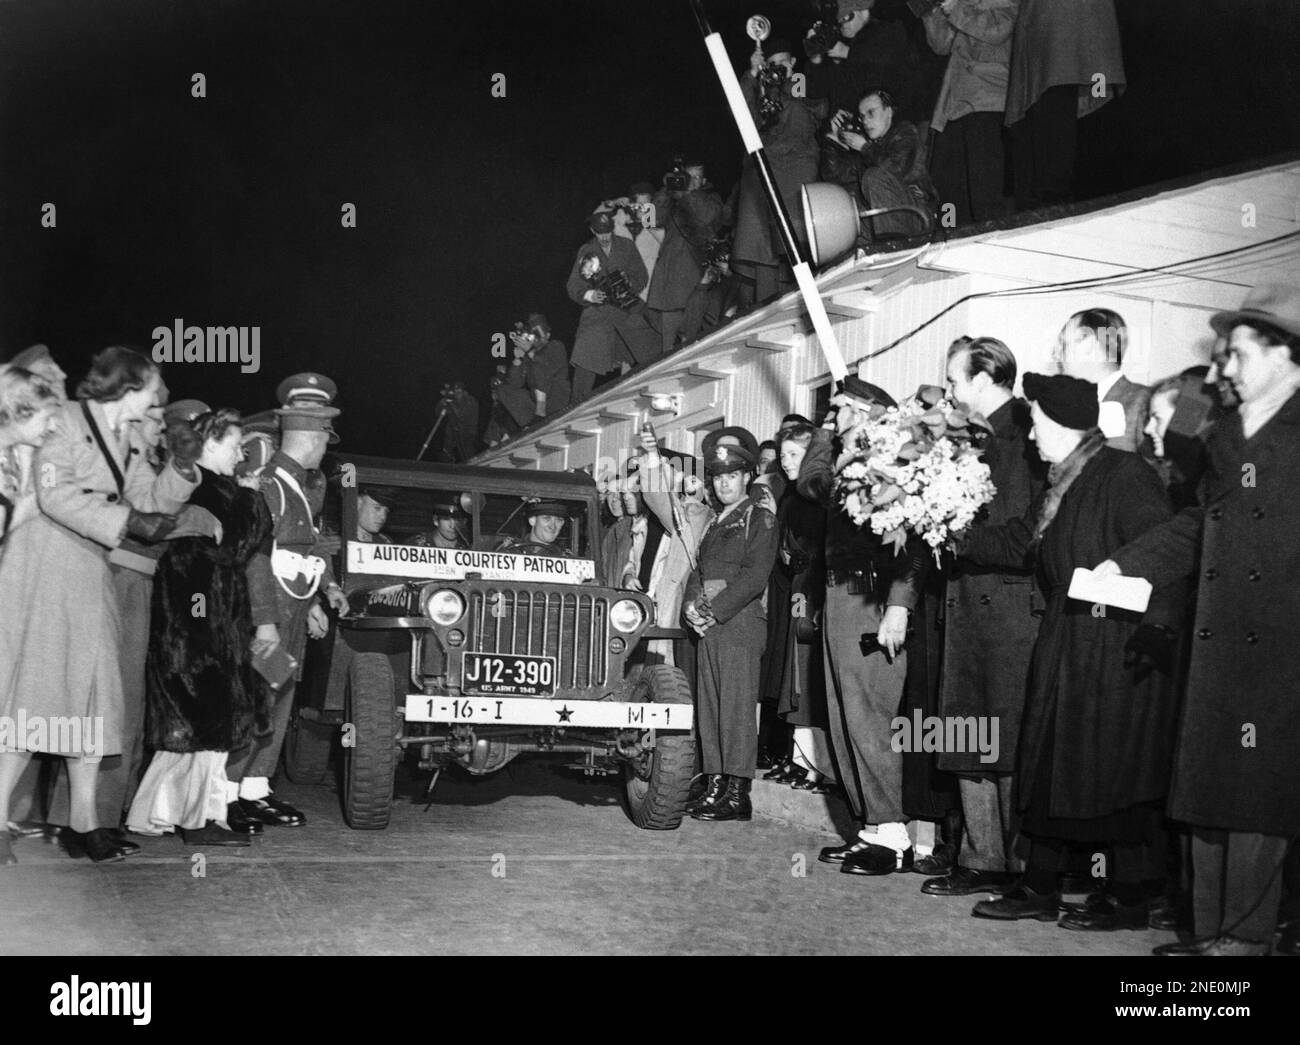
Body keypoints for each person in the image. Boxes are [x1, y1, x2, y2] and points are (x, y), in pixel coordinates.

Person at [1098, 284, 1300, 956]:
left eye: (1237, 355)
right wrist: (1127, 566)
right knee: (1210, 792)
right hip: (1218, 636)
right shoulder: (1228, 436)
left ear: (1285, 355)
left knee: (1256, 801)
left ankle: (1244, 939)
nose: (1225, 372)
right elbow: (1198, 523)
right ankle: (1211, 931)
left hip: (1278, 647)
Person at [960, 373, 1182, 930]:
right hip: (1066, 636)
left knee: (1111, 770)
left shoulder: (1124, 474)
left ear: (1059, 424)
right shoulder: (1062, 480)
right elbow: (1017, 544)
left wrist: (1156, 636)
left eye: (1035, 423)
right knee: (1050, 761)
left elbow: (1166, 560)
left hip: (1116, 647)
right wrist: (947, 532)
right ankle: (1040, 886)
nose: (1030, 435)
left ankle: (1129, 897)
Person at [0, 347, 199, 865]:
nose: (160, 396)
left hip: (89, 568)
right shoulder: (64, 420)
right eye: (155, 384)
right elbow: (53, 495)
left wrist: (180, 466)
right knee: (36, 692)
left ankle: (85, 820)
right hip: (43, 564)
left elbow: (149, 502)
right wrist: (125, 524)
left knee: (92, 695)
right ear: (131, 385)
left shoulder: (128, 438)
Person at [921, 337, 1045, 897]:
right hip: (968, 606)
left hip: (1010, 610)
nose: (948, 391)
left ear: (983, 380)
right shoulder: (968, 439)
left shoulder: (1023, 439)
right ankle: (980, 857)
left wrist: (959, 538)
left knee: (1008, 739)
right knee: (969, 734)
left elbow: (1027, 537)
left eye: (953, 381)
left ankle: (1019, 865)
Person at [126, 408, 276, 846]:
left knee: (196, 735)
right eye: (233, 446)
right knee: (204, 730)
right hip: (197, 629)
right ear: (210, 444)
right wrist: (251, 495)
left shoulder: (212, 488)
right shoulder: (211, 491)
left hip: (203, 626)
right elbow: (238, 548)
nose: (239, 455)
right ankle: (195, 821)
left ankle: (162, 814)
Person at [809, 378, 927, 876]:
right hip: (840, 594)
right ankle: (870, 827)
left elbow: (916, 541)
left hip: (873, 597)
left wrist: (900, 604)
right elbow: (811, 483)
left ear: (868, 410)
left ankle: (893, 831)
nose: (833, 421)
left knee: (871, 717)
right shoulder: (849, 463)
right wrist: (828, 431)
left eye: (841, 411)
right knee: (841, 715)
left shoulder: (895, 459)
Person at [230, 377, 350, 829]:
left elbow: (311, 547)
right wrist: (264, 620)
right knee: (256, 696)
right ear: (314, 435)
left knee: (280, 695)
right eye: (324, 437)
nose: (325, 448)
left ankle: (255, 789)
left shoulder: (301, 486)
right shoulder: (268, 484)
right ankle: (224, 794)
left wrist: (322, 593)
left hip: (293, 607)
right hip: (270, 608)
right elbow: (256, 558)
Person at [682, 428, 778, 822]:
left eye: (732, 475)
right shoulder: (715, 521)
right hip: (709, 626)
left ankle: (738, 793)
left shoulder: (760, 518)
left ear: (746, 477)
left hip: (738, 625)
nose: (724, 482)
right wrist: (690, 606)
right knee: (712, 707)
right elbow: (698, 570)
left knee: (736, 709)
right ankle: (717, 784)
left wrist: (713, 611)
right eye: (718, 476)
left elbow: (754, 577)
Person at [761, 422, 832, 792]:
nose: (786, 462)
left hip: (817, 590)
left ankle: (820, 766)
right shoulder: (791, 496)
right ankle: (801, 759)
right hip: (798, 589)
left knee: (811, 677)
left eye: (794, 455)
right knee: (795, 678)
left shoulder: (820, 495)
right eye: (783, 455)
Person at [1004, 0, 1125, 209]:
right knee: (1053, 126)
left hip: (1059, 51)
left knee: (1054, 128)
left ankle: (1052, 204)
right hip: (1069, 54)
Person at [732, 42, 826, 306]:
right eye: (772, 65)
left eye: (784, 62)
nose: (779, 69)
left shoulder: (800, 82)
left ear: (793, 62)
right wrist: (752, 75)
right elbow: (743, 115)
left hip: (799, 170)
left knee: (799, 242)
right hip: (767, 170)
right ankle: (766, 310)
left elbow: (817, 108)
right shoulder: (762, 92)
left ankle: (807, 307)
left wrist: (785, 83)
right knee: (765, 249)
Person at [921, 0, 1017, 226]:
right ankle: (949, 239)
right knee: (947, 187)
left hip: (990, 99)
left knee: (986, 189)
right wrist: (930, 9)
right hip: (954, 105)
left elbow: (998, 30)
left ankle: (995, 244)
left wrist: (956, 7)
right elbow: (941, 45)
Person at [567, 211, 660, 400]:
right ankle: (574, 406)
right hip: (599, 311)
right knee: (587, 355)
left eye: (608, 232)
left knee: (651, 345)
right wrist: (590, 295)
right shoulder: (587, 251)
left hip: (626, 305)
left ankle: (656, 387)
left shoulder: (626, 246)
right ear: (593, 230)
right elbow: (573, 285)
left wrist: (628, 283)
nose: (605, 237)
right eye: (600, 233)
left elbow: (641, 275)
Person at [822, 88, 936, 242]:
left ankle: (892, 246)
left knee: (873, 176)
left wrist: (864, 148)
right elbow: (836, 178)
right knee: (843, 212)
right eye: (862, 116)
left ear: (888, 112)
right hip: (887, 216)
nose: (866, 121)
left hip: (917, 213)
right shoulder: (869, 146)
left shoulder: (905, 132)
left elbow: (893, 169)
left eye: (871, 113)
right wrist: (833, 141)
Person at [647, 162, 724, 354]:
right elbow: (651, 220)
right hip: (671, 280)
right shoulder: (673, 199)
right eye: (688, 177)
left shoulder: (712, 199)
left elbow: (706, 217)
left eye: (697, 177)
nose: (693, 181)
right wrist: (666, 189)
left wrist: (687, 193)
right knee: (667, 347)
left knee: (692, 344)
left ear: (704, 180)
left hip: (698, 280)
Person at [1054, 308, 1148, 451]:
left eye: (1063, 345)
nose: (1056, 355)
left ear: (1090, 345)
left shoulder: (1144, 402)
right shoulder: (1066, 405)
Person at [496, 500, 576, 558]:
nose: (553, 526)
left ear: (562, 523)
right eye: (546, 518)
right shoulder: (509, 550)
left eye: (559, 520)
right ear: (532, 520)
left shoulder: (565, 558)